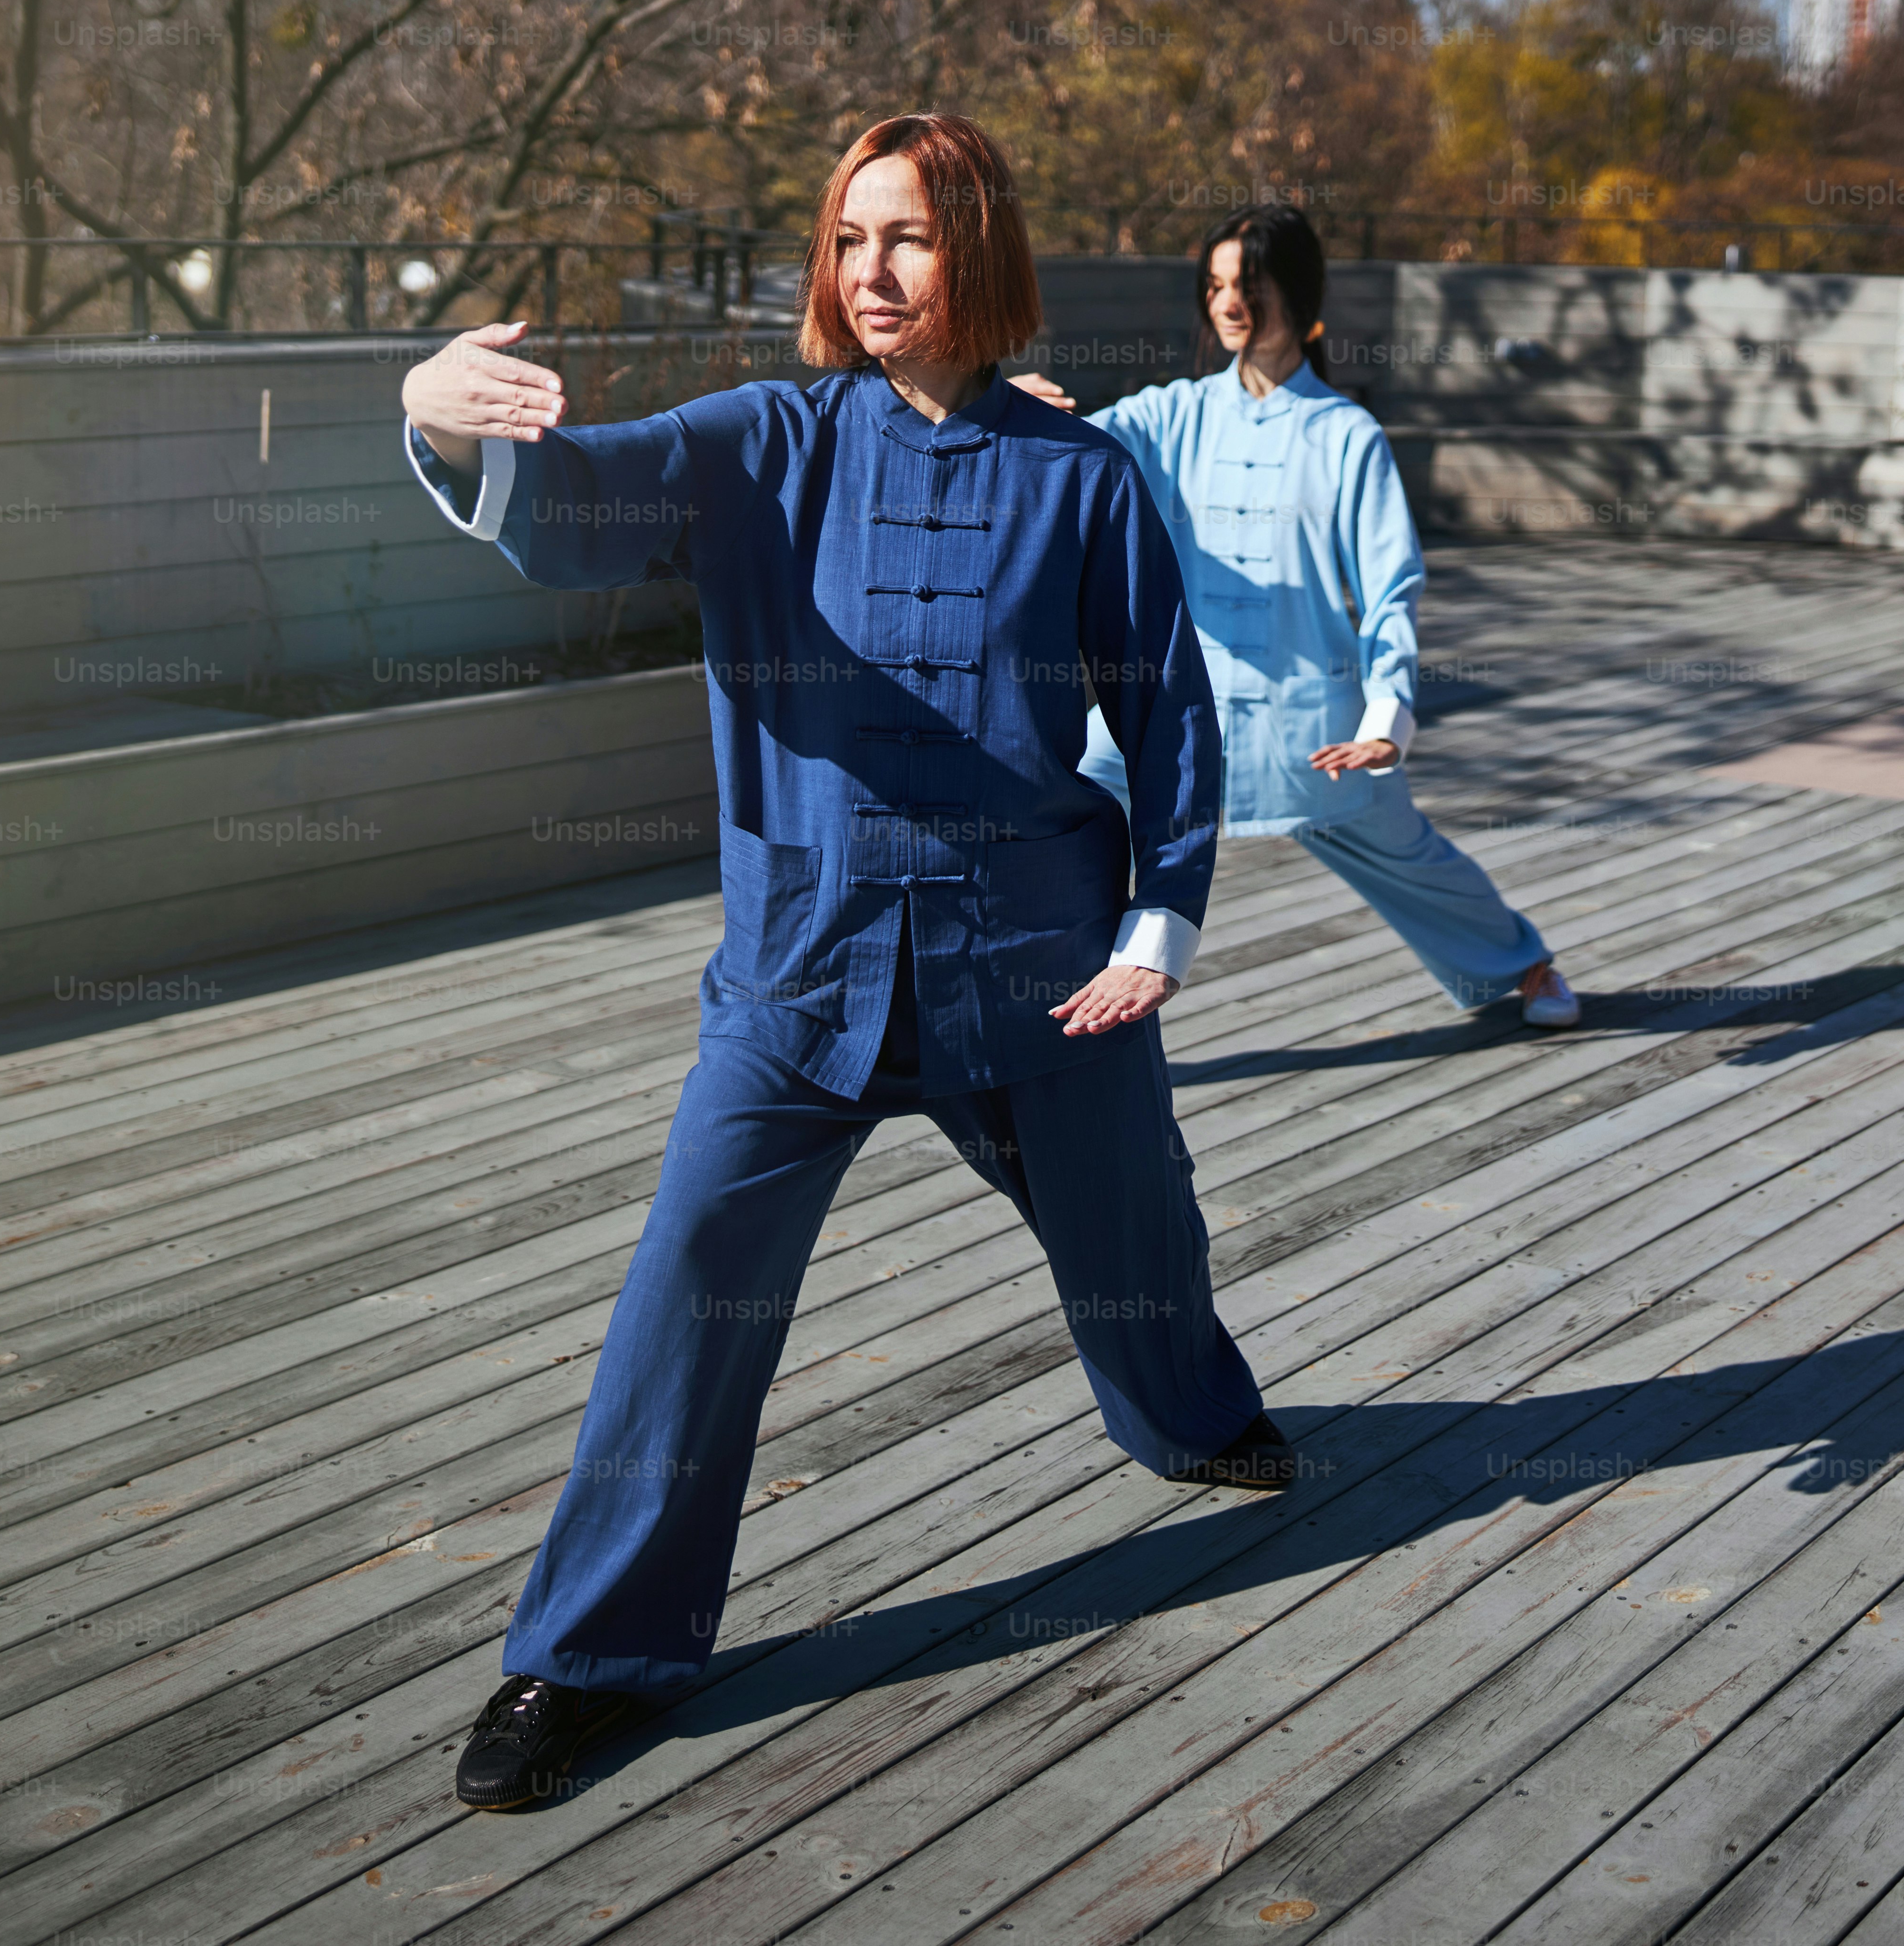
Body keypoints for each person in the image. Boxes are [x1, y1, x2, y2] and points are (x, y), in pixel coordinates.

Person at [396, 113, 1289, 1810]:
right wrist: (436, 419)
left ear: (980, 253)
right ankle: (589, 1658)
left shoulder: (1083, 479)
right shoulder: (759, 443)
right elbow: (576, 504)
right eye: (849, 239)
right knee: (687, 1296)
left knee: (1136, 1229)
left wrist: (1159, 924)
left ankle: (1188, 1416)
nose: (873, 273)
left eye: (912, 238)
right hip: (801, 974)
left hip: (1038, 967)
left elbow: (1167, 715)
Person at [1011, 205, 1577, 1028]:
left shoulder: (1348, 435)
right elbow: (1079, 443)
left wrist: (1387, 718)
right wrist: (1012, 405)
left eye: (1249, 284)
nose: (1229, 302)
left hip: (1311, 724)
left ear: (1297, 290)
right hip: (1170, 714)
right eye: (1215, 285)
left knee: (1411, 859)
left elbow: (1391, 586)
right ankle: (1027, 1005)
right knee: (1047, 812)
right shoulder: (1172, 414)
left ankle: (1526, 966)